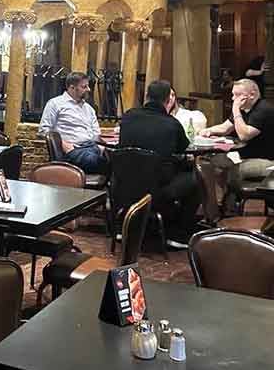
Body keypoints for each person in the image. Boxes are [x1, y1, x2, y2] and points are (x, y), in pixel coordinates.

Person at [119, 80, 200, 249]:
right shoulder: (172, 124)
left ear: (146, 97)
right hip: (157, 190)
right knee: (196, 179)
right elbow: (183, 150)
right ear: (168, 101)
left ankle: (122, 226)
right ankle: (177, 233)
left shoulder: (128, 116)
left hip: (125, 186)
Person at [200, 78, 274, 184]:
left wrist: (235, 109)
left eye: (237, 95)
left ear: (252, 95)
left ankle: (232, 199)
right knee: (211, 161)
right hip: (245, 155)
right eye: (233, 94)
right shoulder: (243, 108)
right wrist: (207, 130)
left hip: (266, 160)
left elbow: (244, 135)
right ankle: (219, 198)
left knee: (233, 171)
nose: (233, 98)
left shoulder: (263, 109)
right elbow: (225, 128)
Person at [38, 71, 107, 174]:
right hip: (73, 149)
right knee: (104, 163)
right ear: (72, 87)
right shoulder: (55, 104)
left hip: (91, 147)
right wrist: (63, 144)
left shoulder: (89, 109)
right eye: (84, 87)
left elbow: (96, 132)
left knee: (117, 159)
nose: (89, 89)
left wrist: (102, 148)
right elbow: (43, 130)